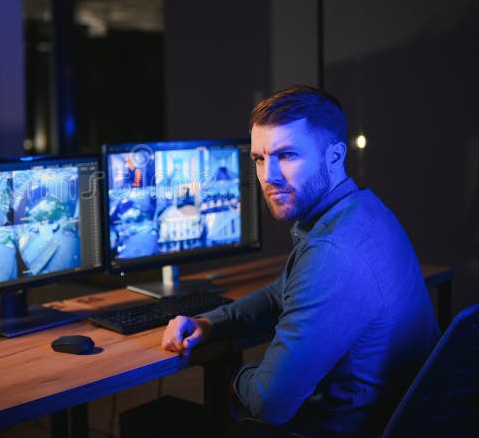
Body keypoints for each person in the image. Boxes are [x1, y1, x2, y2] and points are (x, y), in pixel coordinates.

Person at [161, 85, 440, 436]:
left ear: (335, 157)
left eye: (288, 155)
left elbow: (270, 402)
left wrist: (235, 377)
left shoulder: (329, 253)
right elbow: (282, 292)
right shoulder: (366, 211)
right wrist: (210, 323)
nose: (268, 176)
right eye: (259, 159)